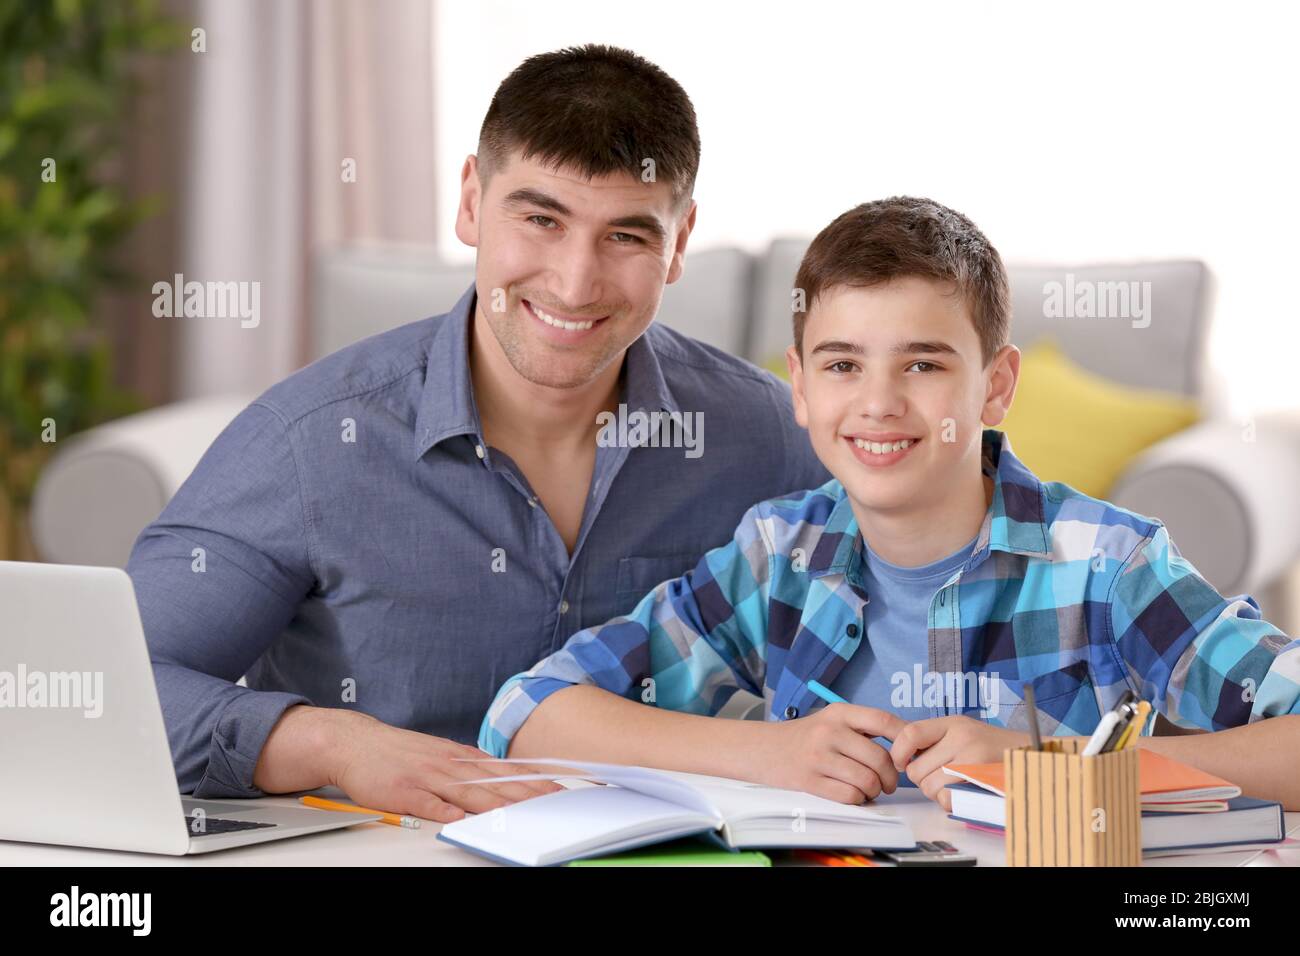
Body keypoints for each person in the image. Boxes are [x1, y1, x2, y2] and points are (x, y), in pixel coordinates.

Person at [126, 45, 828, 823]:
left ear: (680, 241)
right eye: (541, 220)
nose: (574, 283)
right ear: (470, 201)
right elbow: (110, 687)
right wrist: (332, 744)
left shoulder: (770, 437)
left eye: (626, 236)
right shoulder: (309, 442)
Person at [481, 196, 1300, 811]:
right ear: (800, 388)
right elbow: (529, 712)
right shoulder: (778, 557)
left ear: (996, 386)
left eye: (922, 365)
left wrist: (1060, 772)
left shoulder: (1108, 566)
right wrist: (764, 752)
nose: (877, 404)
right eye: (842, 366)